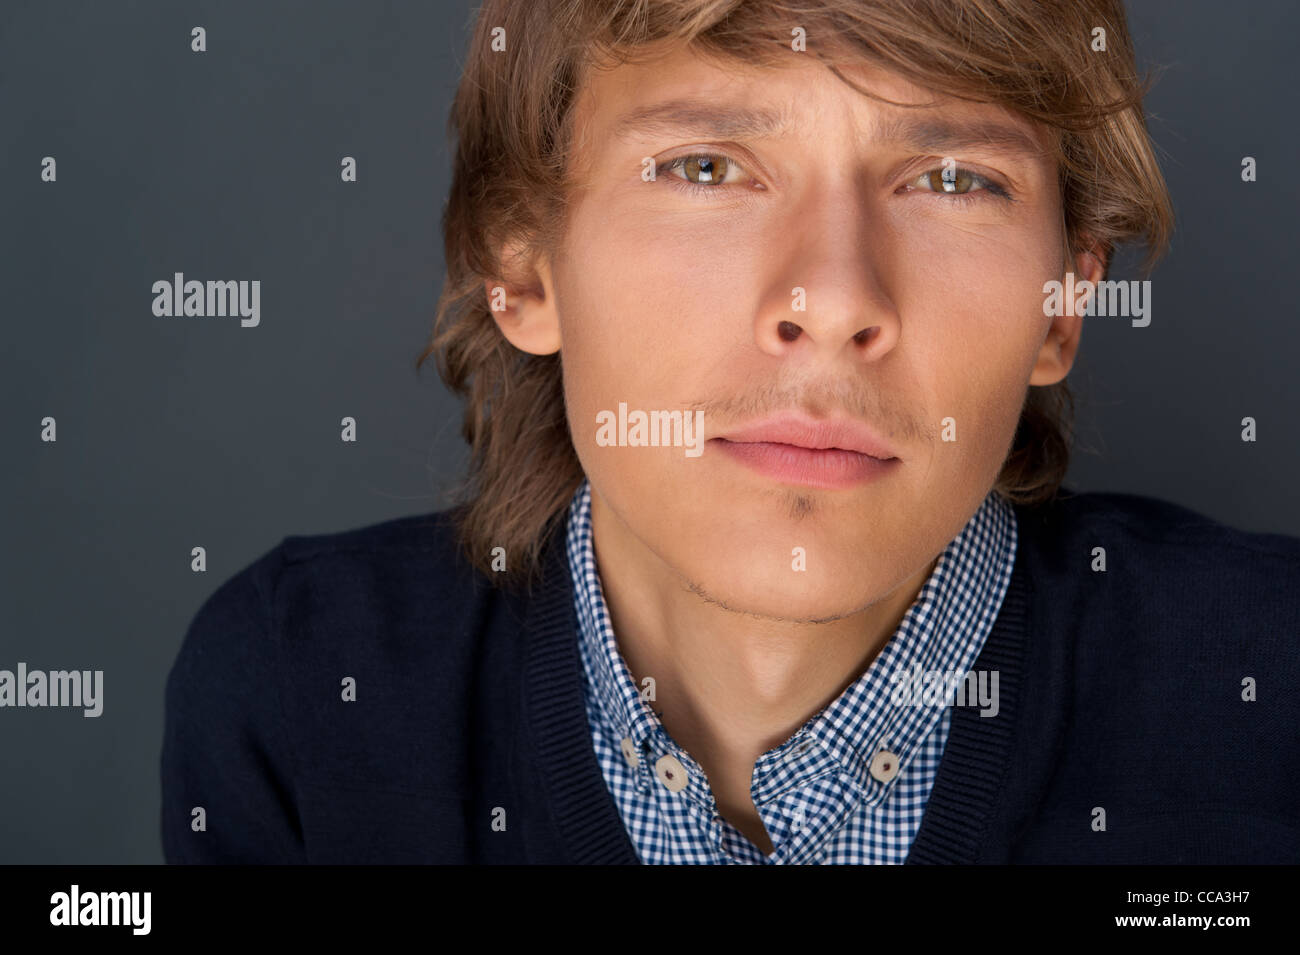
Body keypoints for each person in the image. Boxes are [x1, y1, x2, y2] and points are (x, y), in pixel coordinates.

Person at [161, 0, 1300, 864]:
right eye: (704, 167)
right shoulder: (302, 700)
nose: (833, 296)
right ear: (520, 264)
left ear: (1064, 301)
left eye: (951, 178)